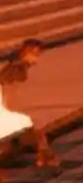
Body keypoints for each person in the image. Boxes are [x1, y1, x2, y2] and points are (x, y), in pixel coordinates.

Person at [0, 39, 60, 169]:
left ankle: (43, 157)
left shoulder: (19, 66)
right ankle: (45, 158)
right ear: (28, 53)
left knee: (33, 134)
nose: (38, 59)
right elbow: (7, 84)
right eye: (36, 54)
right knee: (36, 132)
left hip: (14, 108)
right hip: (11, 109)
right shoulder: (17, 67)